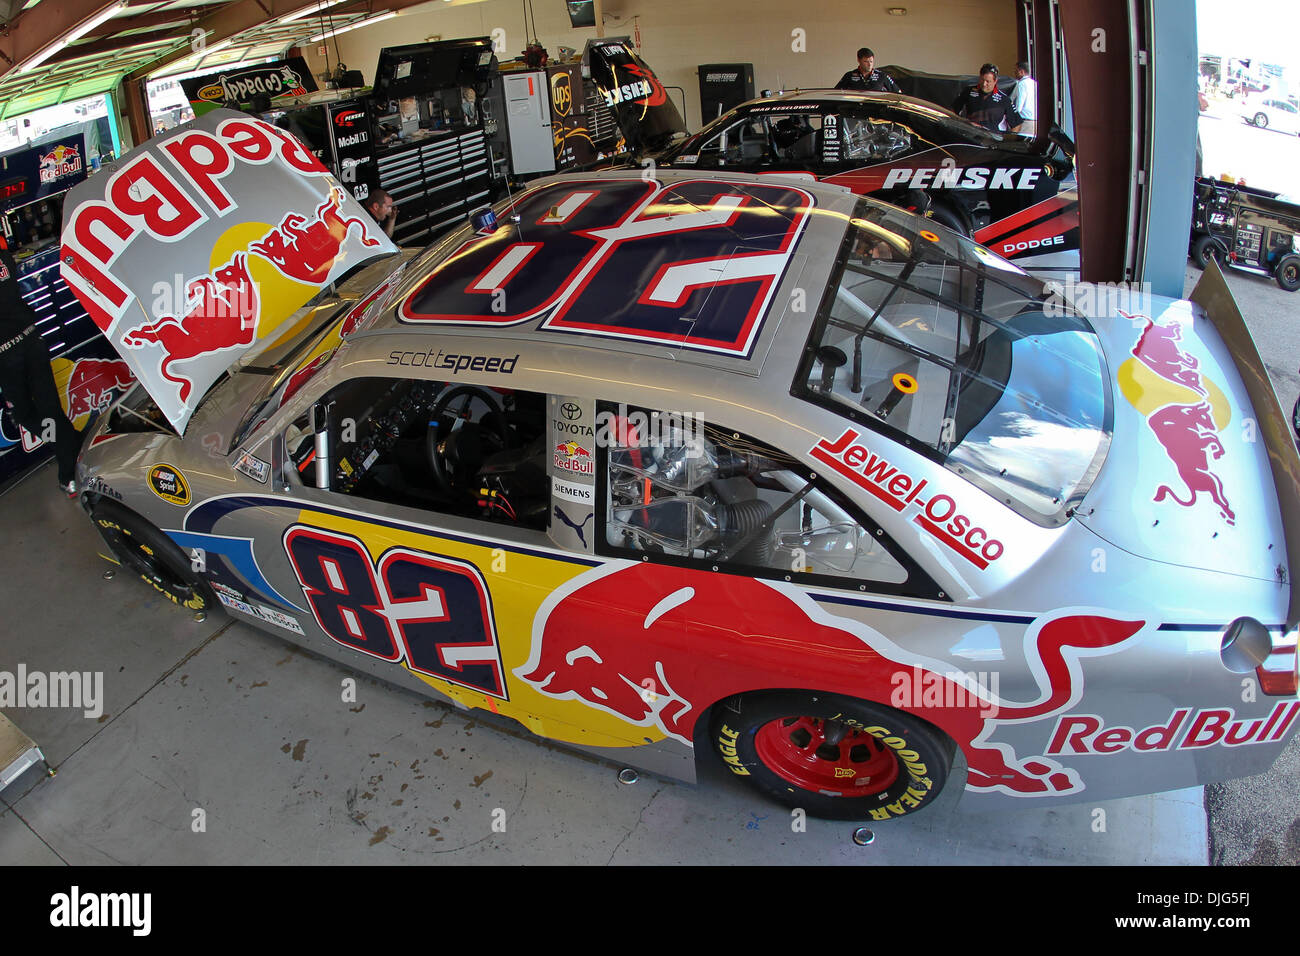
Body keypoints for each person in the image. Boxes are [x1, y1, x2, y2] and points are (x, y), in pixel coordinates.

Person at [0, 241, 82, 496]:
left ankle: (73, 458)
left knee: (25, 415)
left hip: (6, 351)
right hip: (31, 337)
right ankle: (75, 458)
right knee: (50, 411)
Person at [952, 64, 1023, 133]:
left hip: (991, 141)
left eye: (988, 81)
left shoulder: (1004, 99)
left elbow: (1017, 124)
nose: (984, 84)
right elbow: (953, 111)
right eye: (982, 80)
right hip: (971, 137)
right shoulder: (968, 91)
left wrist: (1008, 141)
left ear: (995, 81)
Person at [834, 48, 900, 93]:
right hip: (855, 111)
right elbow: (836, 93)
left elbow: (898, 93)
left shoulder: (882, 76)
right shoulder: (849, 76)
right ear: (859, 60)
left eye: (871, 61)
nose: (869, 64)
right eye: (866, 61)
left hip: (876, 111)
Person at [1011, 61, 1037, 137]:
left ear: (1021, 72)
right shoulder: (1034, 83)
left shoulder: (1021, 84)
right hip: (1034, 122)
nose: (1014, 73)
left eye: (1016, 71)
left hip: (1024, 121)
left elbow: (1018, 106)